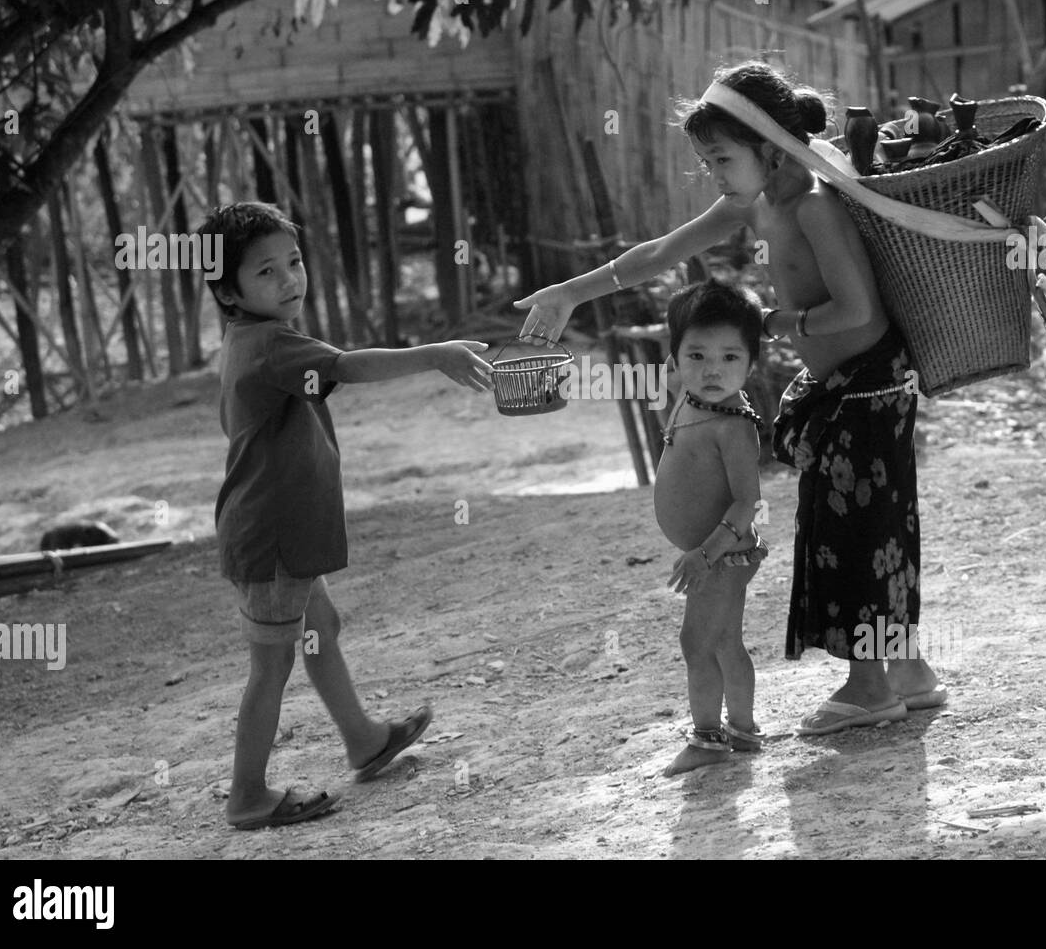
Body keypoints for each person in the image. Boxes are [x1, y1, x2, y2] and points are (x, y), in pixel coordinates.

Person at [514, 60, 946, 739]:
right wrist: (572, 291)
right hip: (846, 389)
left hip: (871, 385)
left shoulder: (813, 205)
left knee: (858, 538)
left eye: (721, 158)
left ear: (771, 147)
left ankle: (871, 687)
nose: (713, 173)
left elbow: (857, 309)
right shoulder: (757, 202)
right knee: (873, 531)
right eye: (706, 161)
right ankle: (909, 673)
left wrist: (779, 324)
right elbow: (661, 250)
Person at [203, 202, 495, 829]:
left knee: (321, 628)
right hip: (271, 538)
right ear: (228, 290)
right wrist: (434, 353)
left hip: (281, 533)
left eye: (294, 262)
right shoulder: (270, 345)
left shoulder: (253, 338)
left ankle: (364, 739)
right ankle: (247, 795)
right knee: (271, 665)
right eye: (266, 273)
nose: (289, 280)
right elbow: (348, 366)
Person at [656, 281, 768, 775]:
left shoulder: (734, 425)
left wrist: (705, 553)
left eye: (729, 357)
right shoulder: (688, 400)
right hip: (715, 552)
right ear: (674, 362)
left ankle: (707, 739)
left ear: (752, 365)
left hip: (722, 553)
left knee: (696, 643)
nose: (712, 370)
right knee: (724, 642)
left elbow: (750, 500)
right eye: (697, 355)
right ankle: (742, 730)